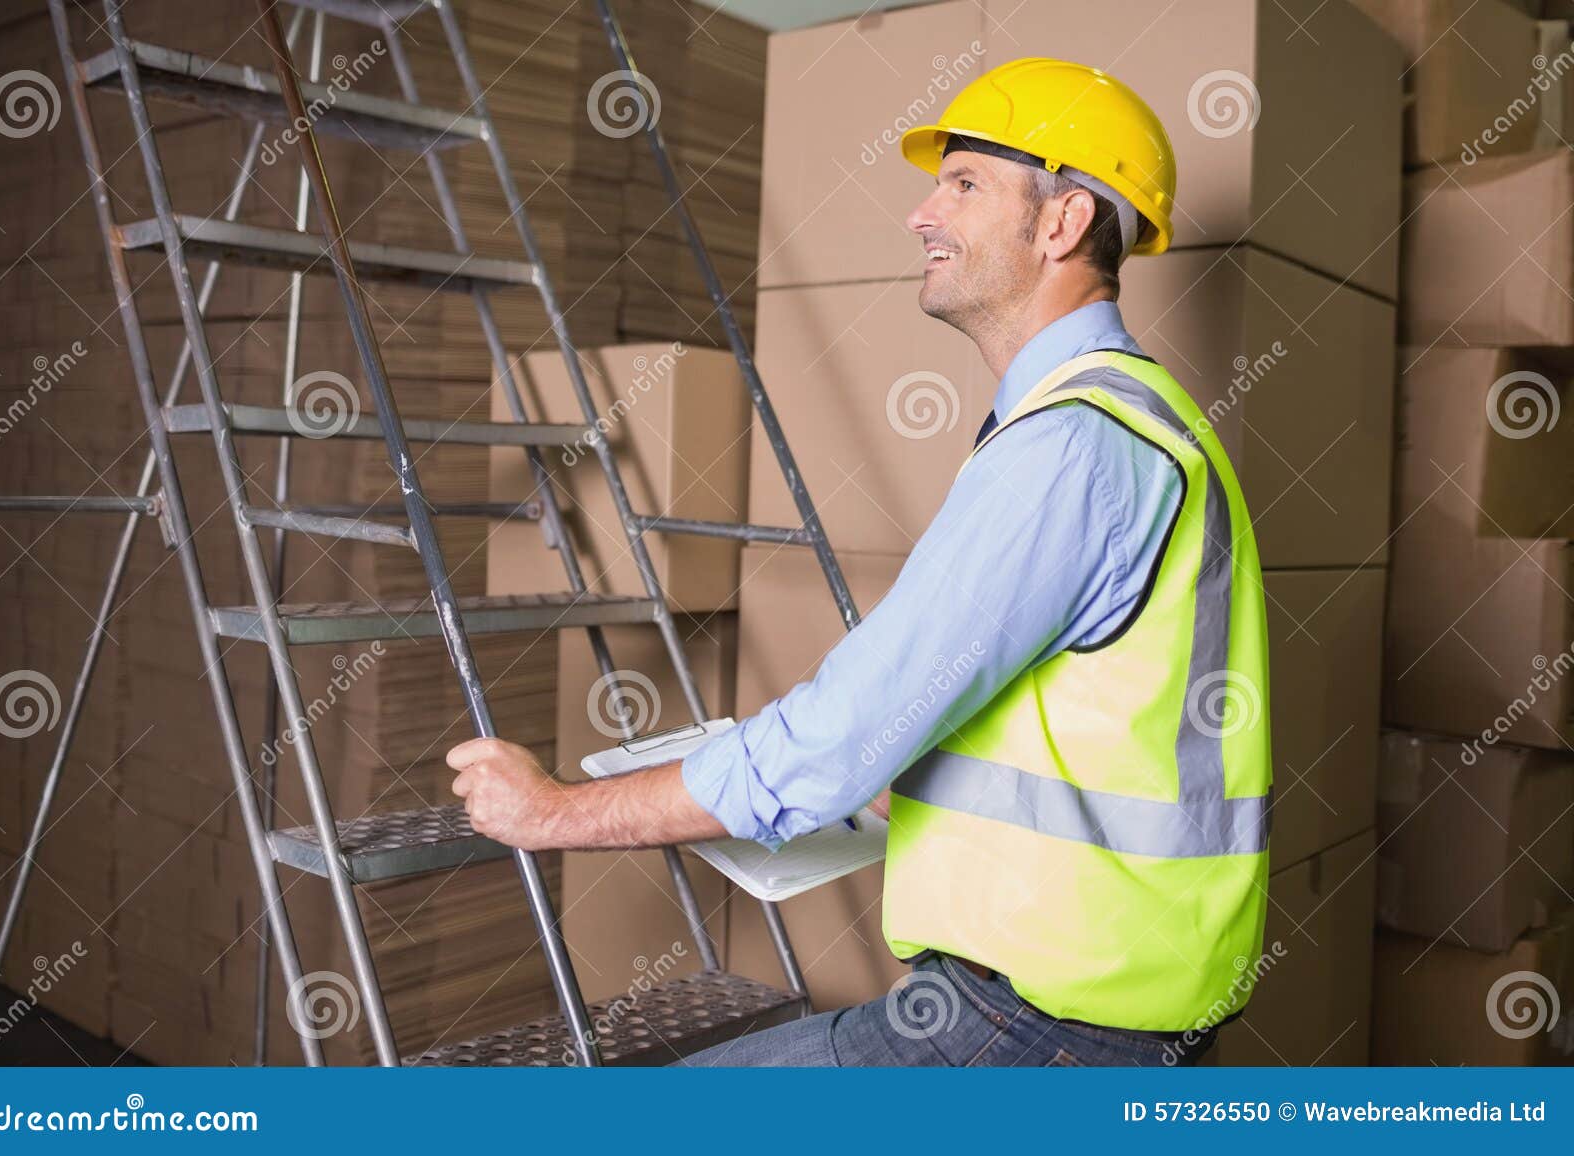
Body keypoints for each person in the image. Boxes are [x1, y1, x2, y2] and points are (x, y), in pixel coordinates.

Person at [447, 58, 1272, 1068]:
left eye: (963, 182)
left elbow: (834, 740)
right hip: (1104, 1010)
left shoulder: (1071, 445)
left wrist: (550, 812)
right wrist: (917, 776)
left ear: (1059, 222)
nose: (922, 214)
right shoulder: (1132, 417)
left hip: (1042, 1027)